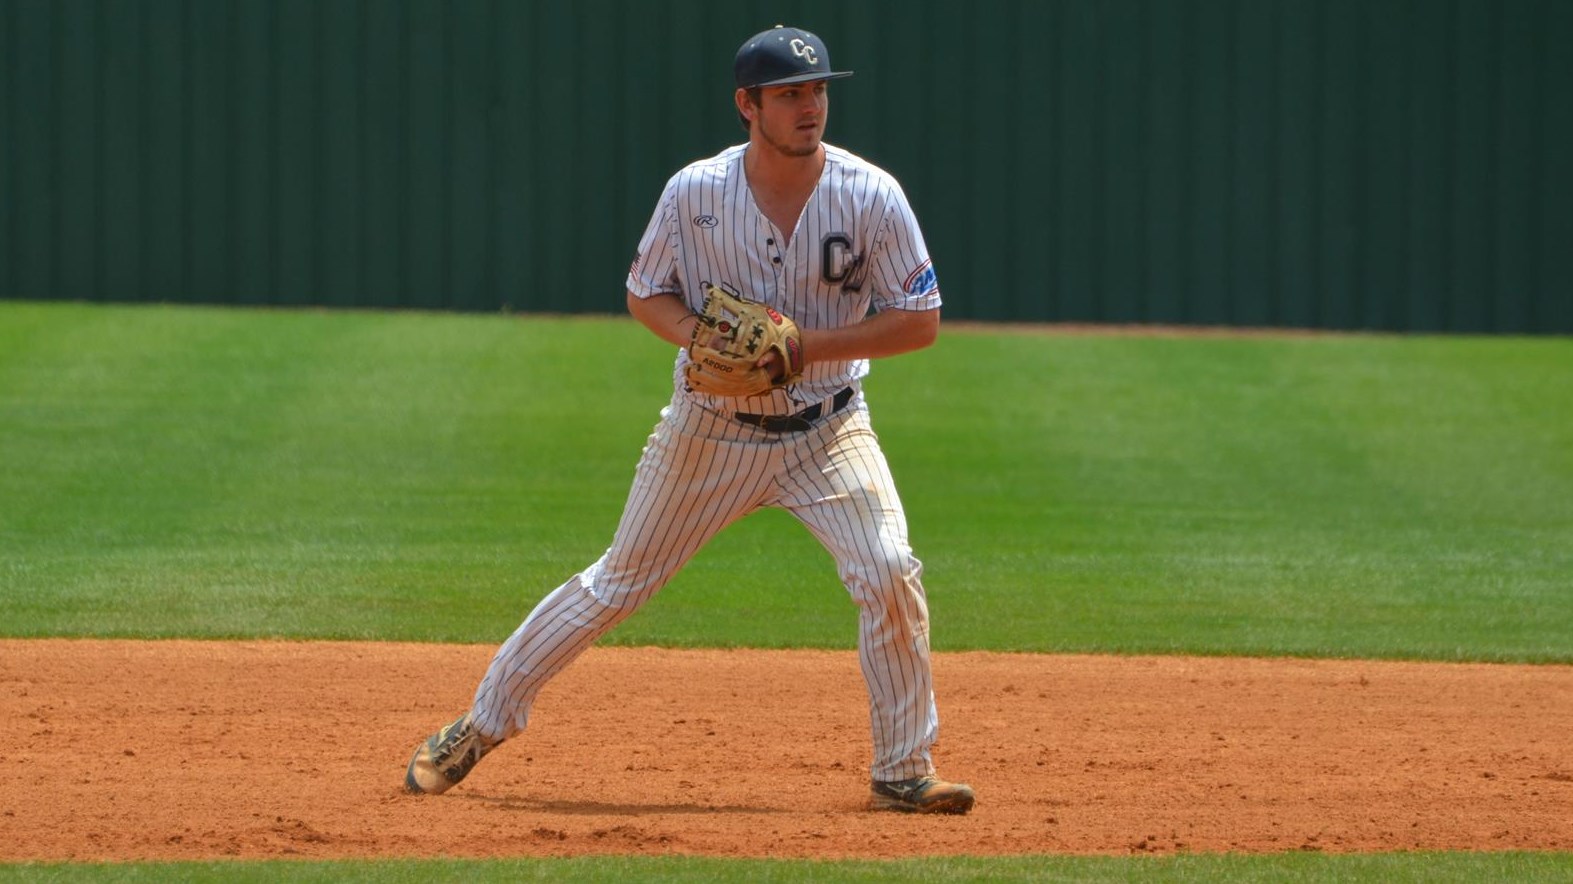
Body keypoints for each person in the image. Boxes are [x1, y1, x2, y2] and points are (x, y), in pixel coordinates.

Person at [404, 24, 974, 815]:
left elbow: (920, 319)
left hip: (830, 430)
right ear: (748, 105)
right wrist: (701, 338)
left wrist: (805, 347)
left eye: (817, 90)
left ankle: (902, 769)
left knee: (887, 572)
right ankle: (477, 724)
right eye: (789, 94)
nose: (810, 106)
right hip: (710, 430)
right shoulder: (694, 192)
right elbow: (647, 292)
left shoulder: (870, 194)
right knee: (617, 585)